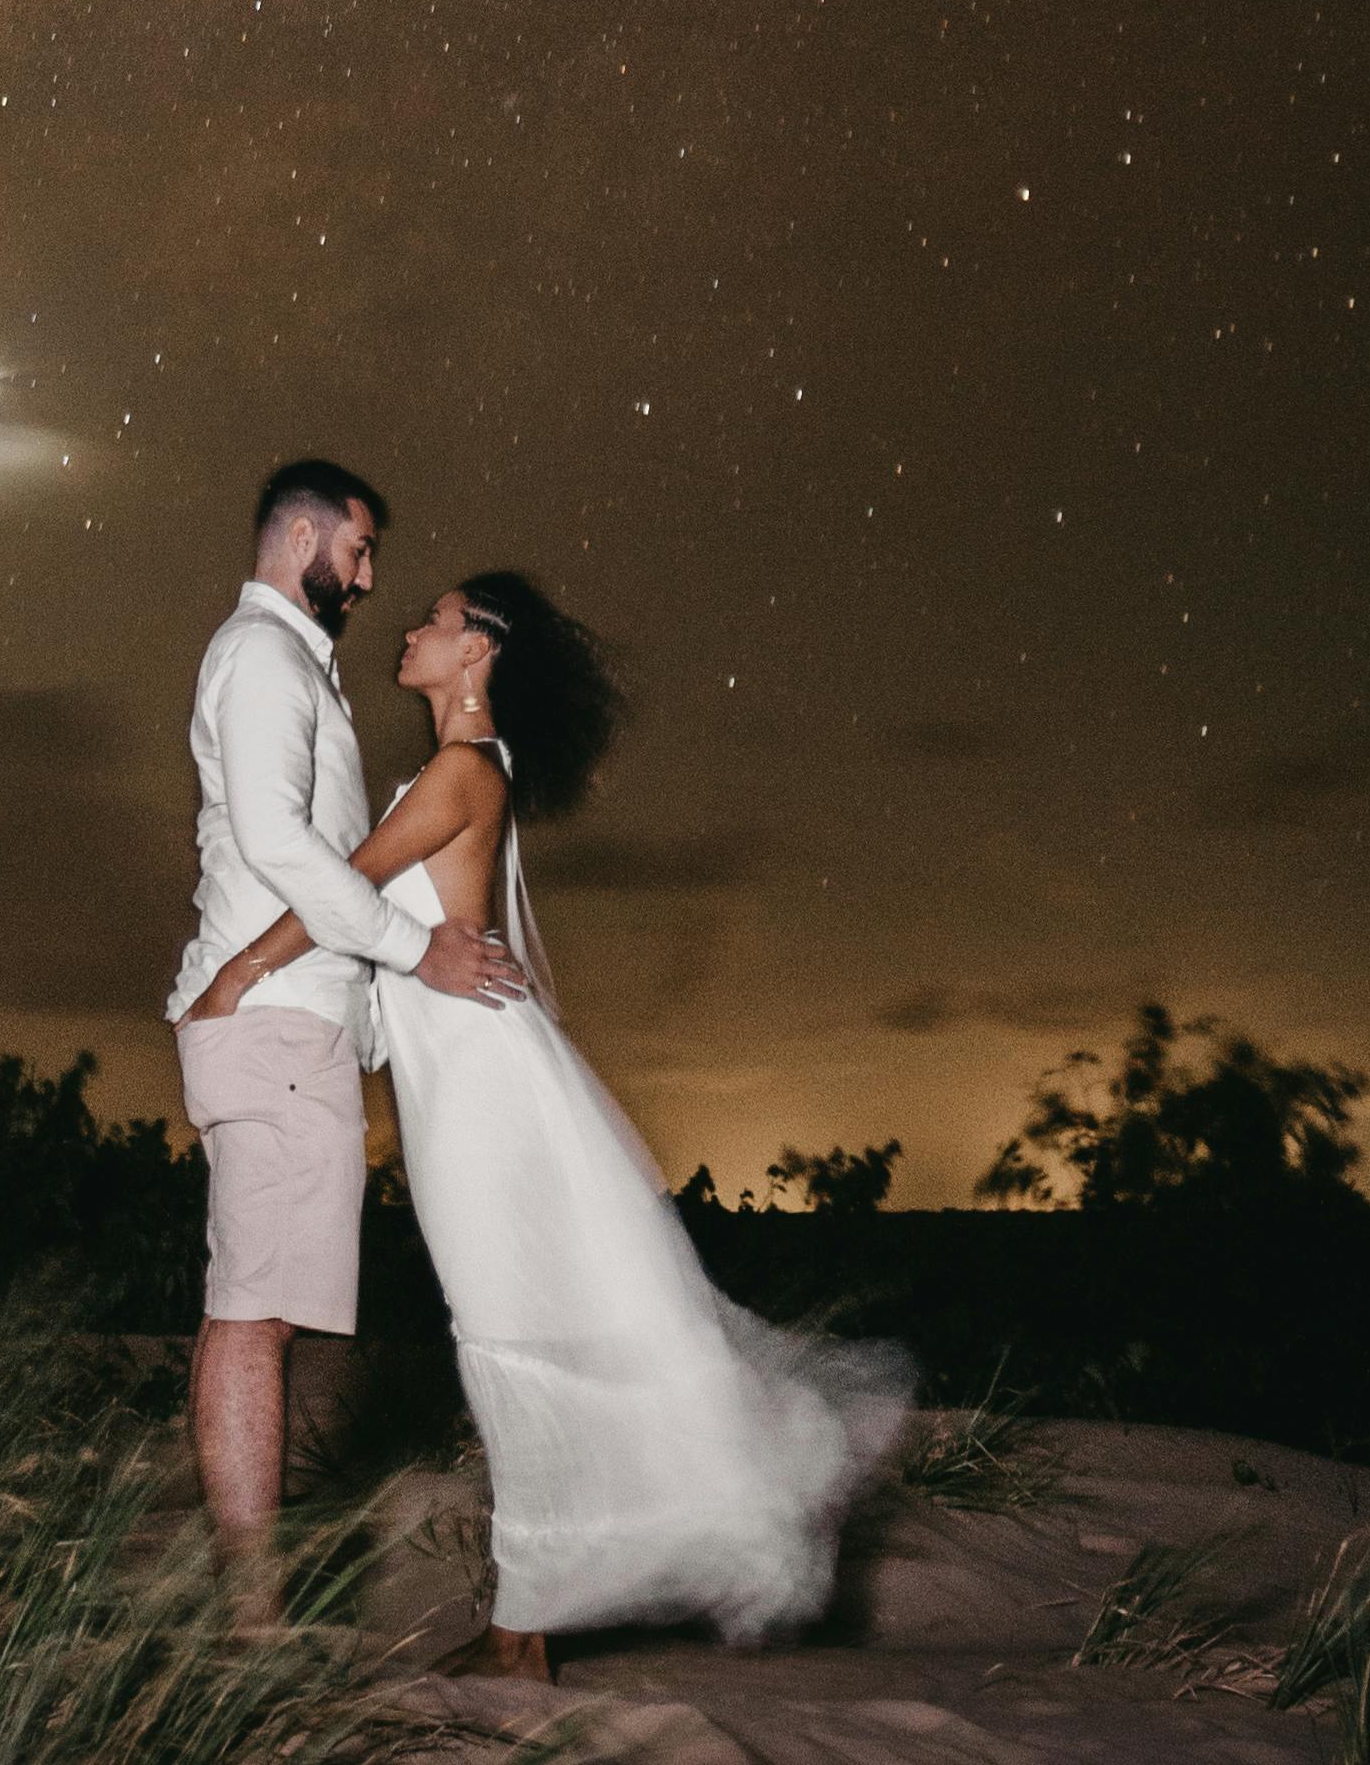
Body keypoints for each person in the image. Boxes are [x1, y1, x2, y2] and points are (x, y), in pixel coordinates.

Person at [185, 563, 907, 1671]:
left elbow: (342, 888)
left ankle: (523, 1629)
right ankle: (527, 1619)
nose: (412, 629)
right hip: (454, 1080)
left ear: (479, 650)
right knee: (506, 1330)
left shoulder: (460, 770)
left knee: (504, 1332)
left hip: (477, 1087)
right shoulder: (469, 770)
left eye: (434, 619)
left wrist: (236, 971)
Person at [167, 462, 527, 1623]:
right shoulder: (264, 655)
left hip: (298, 1022)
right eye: (360, 550)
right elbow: (276, 835)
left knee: (264, 1311)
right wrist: (408, 954)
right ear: (305, 534)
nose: (371, 578)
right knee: (251, 1314)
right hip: (274, 1024)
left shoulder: (292, 666)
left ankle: (255, 1610)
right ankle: (254, 1622)